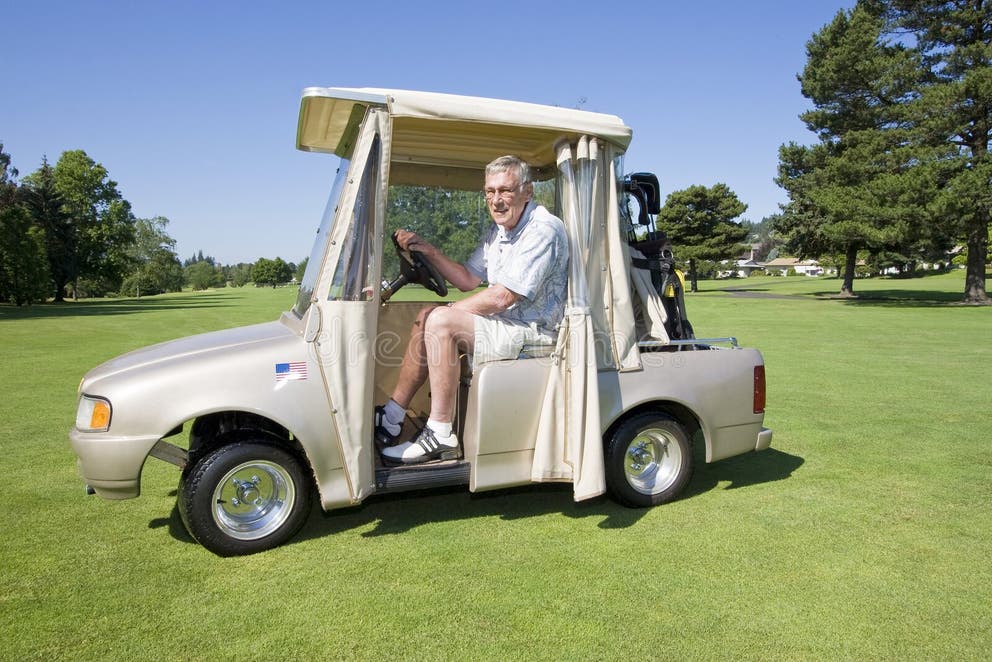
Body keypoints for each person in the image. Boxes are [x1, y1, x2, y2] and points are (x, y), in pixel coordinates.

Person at [378, 155, 569, 464]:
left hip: (535, 334)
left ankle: (440, 432)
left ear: (527, 191)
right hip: (507, 325)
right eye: (490, 192)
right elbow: (468, 279)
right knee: (428, 315)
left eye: (505, 190)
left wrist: (445, 315)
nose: (496, 200)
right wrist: (427, 249)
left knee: (439, 321)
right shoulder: (500, 232)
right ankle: (391, 415)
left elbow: (503, 297)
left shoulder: (542, 229)